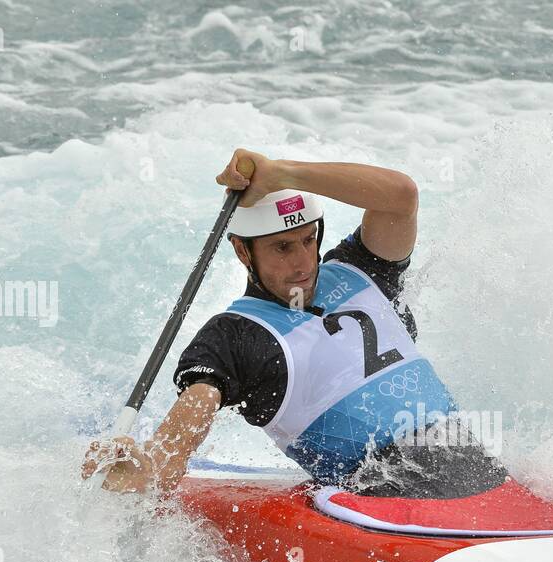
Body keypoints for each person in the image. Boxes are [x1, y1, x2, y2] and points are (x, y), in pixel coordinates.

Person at [82, 148, 506, 499]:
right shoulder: (234, 336)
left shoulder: (363, 269)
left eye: (308, 240)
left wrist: (280, 173)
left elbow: (401, 195)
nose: (304, 263)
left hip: (485, 479)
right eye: (282, 247)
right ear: (244, 254)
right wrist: (141, 469)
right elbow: (171, 451)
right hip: (385, 505)